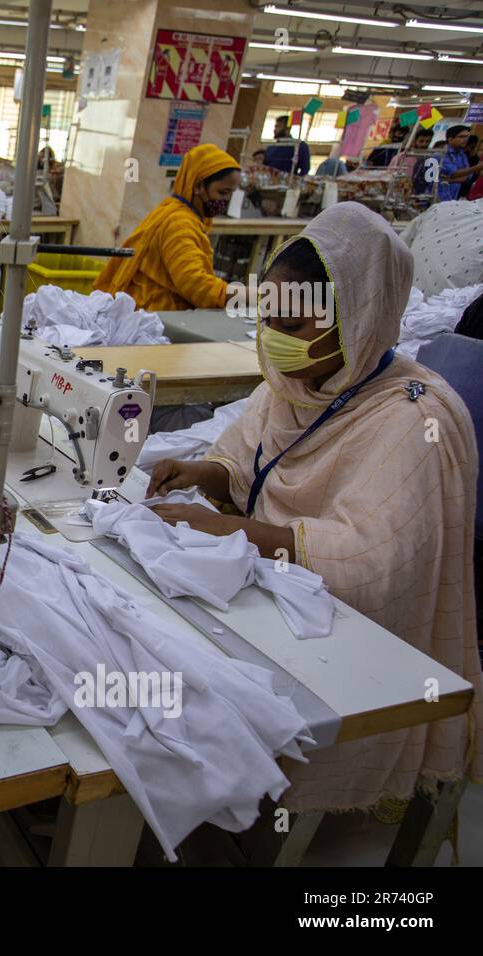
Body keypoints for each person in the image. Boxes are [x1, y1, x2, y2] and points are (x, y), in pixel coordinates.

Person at [144, 201, 480, 815]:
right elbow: (247, 461)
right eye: (268, 318)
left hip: (349, 644)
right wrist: (208, 473)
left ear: (358, 315)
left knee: (186, 702)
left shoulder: (414, 417)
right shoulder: (292, 386)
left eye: (294, 327)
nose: (273, 339)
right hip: (269, 597)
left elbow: (375, 562)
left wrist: (231, 530)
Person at [93, 144, 241, 311]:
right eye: (222, 192)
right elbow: (197, 287)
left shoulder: (176, 210)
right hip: (156, 314)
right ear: (198, 186)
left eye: (231, 193)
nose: (227, 200)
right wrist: (257, 296)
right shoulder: (179, 224)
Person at [398, 199, 483, 296]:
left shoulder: (439, 209)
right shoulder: (437, 209)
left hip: (400, 303)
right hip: (453, 308)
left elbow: (397, 252)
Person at [438, 125, 483, 202]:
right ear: (450, 139)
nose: (465, 140)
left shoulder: (461, 155)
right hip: (438, 195)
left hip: (453, 197)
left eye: (467, 137)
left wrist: (452, 180)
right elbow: (453, 173)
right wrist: (477, 167)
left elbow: (468, 176)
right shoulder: (442, 153)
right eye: (461, 137)